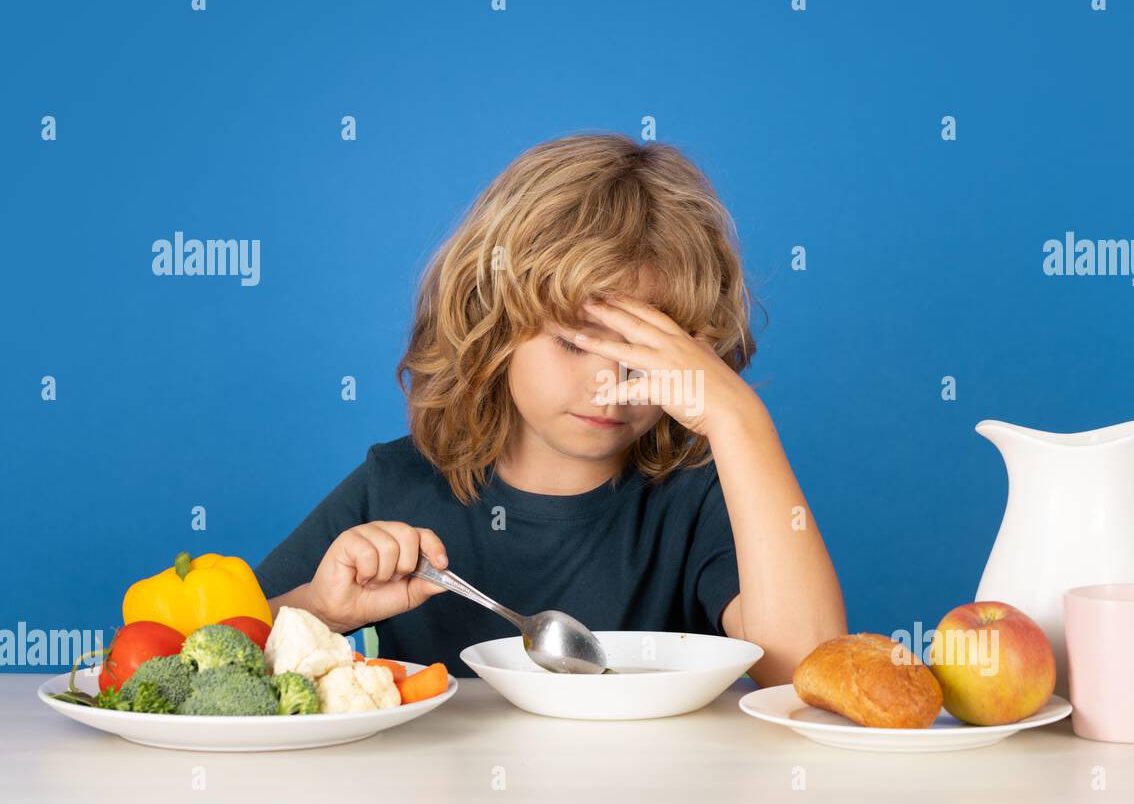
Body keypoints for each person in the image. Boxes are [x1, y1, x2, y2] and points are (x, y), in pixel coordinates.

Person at [254, 132, 846, 685]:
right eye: (574, 343)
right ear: (493, 324)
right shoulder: (397, 483)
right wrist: (320, 610)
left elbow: (805, 668)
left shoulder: (700, 495)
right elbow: (214, 653)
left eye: (646, 354)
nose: (610, 384)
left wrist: (739, 420)